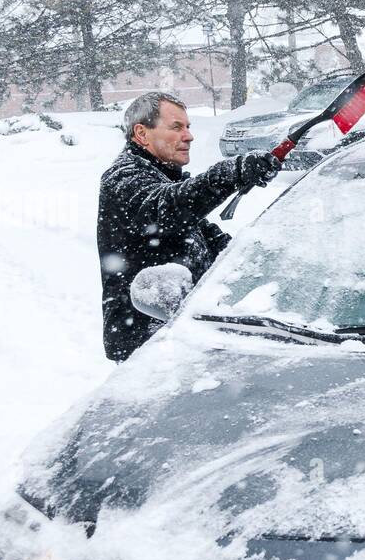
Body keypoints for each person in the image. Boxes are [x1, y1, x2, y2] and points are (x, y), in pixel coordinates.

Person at [98, 91, 280, 362]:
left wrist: (271, 262)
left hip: (192, 337)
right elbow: (167, 207)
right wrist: (231, 173)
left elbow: (217, 246)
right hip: (150, 348)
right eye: (176, 127)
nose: (189, 136)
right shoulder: (123, 179)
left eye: (188, 127)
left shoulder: (162, 178)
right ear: (142, 133)